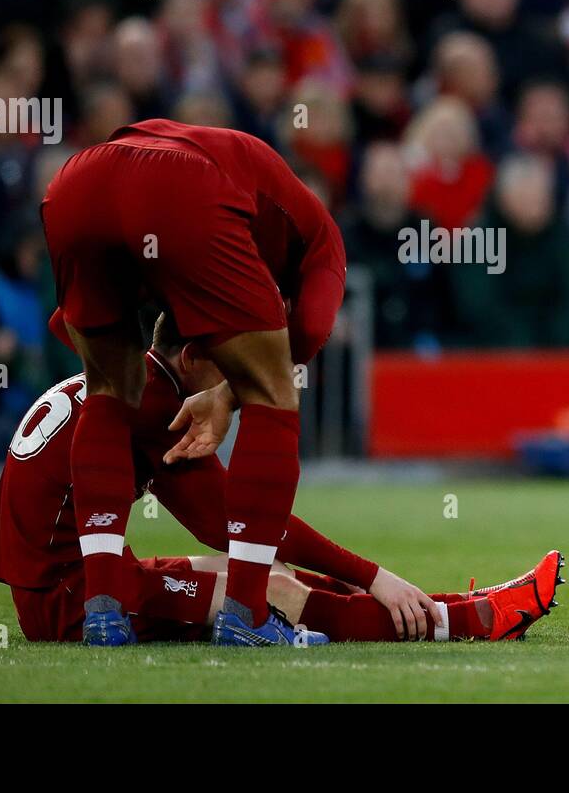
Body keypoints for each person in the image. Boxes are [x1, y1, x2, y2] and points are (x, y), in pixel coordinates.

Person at [0, 310, 563, 644]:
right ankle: (466, 620)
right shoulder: (155, 403)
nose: (243, 371)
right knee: (273, 588)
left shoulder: (132, 381)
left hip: (77, 582)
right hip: (70, 603)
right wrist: (374, 575)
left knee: (266, 573)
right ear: (190, 361)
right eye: (229, 360)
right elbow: (237, 524)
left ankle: (450, 604)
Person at [40, 118, 348, 646]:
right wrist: (235, 392)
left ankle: (103, 613)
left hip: (76, 181)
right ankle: (246, 615)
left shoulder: (250, 181)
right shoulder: (320, 238)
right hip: (180, 185)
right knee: (274, 395)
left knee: (108, 392)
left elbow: (64, 325)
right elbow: (313, 330)